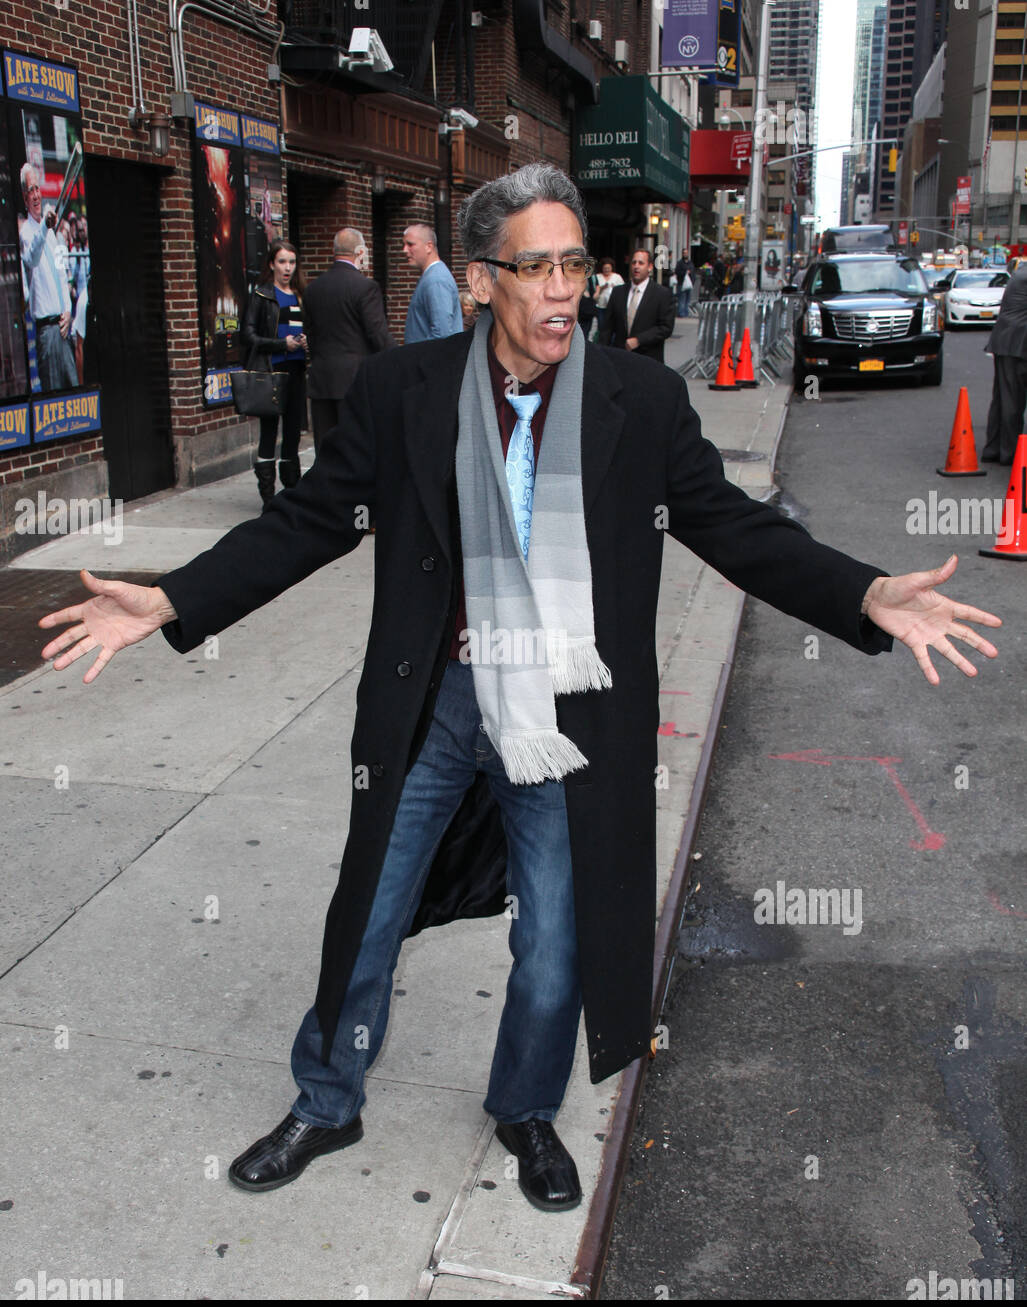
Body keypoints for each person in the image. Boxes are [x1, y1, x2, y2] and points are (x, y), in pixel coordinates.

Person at [39, 163, 1000, 1216]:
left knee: (555, 943)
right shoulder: (405, 390)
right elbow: (306, 520)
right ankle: (328, 1095)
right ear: (481, 278)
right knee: (366, 910)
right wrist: (175, 599)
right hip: (435, 704)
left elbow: (734, 527)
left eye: (573, 264)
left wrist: (863, 594)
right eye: (533, 267)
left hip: (566, 711)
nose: (560, 291)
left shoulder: (638, 399)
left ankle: (526, 1106)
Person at [303, 227, 397, 453]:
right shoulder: (366, 287)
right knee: (356, 449)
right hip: (355, 381)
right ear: (359, 252)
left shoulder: (313, 288)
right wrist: (397, 362)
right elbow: (378, 335)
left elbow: (312, 336)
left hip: (322, 379)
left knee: (325, 450)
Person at [241, 238, 308, 508]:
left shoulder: (303, 295)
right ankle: (268, 497)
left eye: (291, 262)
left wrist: (306, 341)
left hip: (297, 369)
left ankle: (292, 494)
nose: (287, 267)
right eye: (282, 261)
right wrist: (282, 344)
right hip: (272, 370)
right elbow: (248, 334)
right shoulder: (261, 295)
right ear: (272, 264)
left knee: (293, 432)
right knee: (269, 432)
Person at [19, 163, 77, 393]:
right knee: (53, 396)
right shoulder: (27, 233)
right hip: (46, 332)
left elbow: (62, 275)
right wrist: (44, 226)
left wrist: (68, 309)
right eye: (30, 191)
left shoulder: (51, 234)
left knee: (74, 393)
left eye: (37, 189)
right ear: (25, 198)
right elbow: (32, 257)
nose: (35, 195)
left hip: (63, 327)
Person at [982, 260, 1027, 467]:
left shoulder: (1022, 271)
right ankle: (1009, 453)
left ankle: (994, 449)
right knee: (1011, 402)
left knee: (1002, 398)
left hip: (1007, 339)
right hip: (1016, 341)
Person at [599, 247, 676, 362]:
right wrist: (602, 355)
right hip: (620, 358)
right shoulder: (618, 292)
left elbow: (665, 328)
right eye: (634, 262)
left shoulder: (662, 294)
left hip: (648, 360)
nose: (636, 266)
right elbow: (607, 328)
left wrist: (639, 340)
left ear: (649, 267)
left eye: (641, 263)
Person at [402, 222, 463, 342]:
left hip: (431, 359)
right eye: (404, 245)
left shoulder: (436, 280)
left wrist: (420, 358)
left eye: (410, 244)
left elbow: (442, 333)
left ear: (429, 246)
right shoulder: (433, 276)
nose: (404, 250)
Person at [591, 256, 623, 343]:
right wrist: (602, 288)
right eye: (605, 268)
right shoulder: (597, 277)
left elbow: (622, 291)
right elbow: (593, 292)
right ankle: (602, 344)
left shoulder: (617, 277)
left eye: (608, 268)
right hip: (600, 306)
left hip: (613, 307)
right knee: (602, 327)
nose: (607, 270)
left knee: (613, 327)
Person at [673, 250, 695, 318]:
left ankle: (686, 313)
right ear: (682, 254)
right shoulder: (680, 263)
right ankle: (681, 313)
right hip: (681, 284)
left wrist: (692, 281)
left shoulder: (690, 263)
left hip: (689, 284)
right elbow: (677, 272)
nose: (685, 254)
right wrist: (685, 272)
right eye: (684, 253)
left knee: (687, 300)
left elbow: (693, 272)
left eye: (686, 253)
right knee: (682, 299)